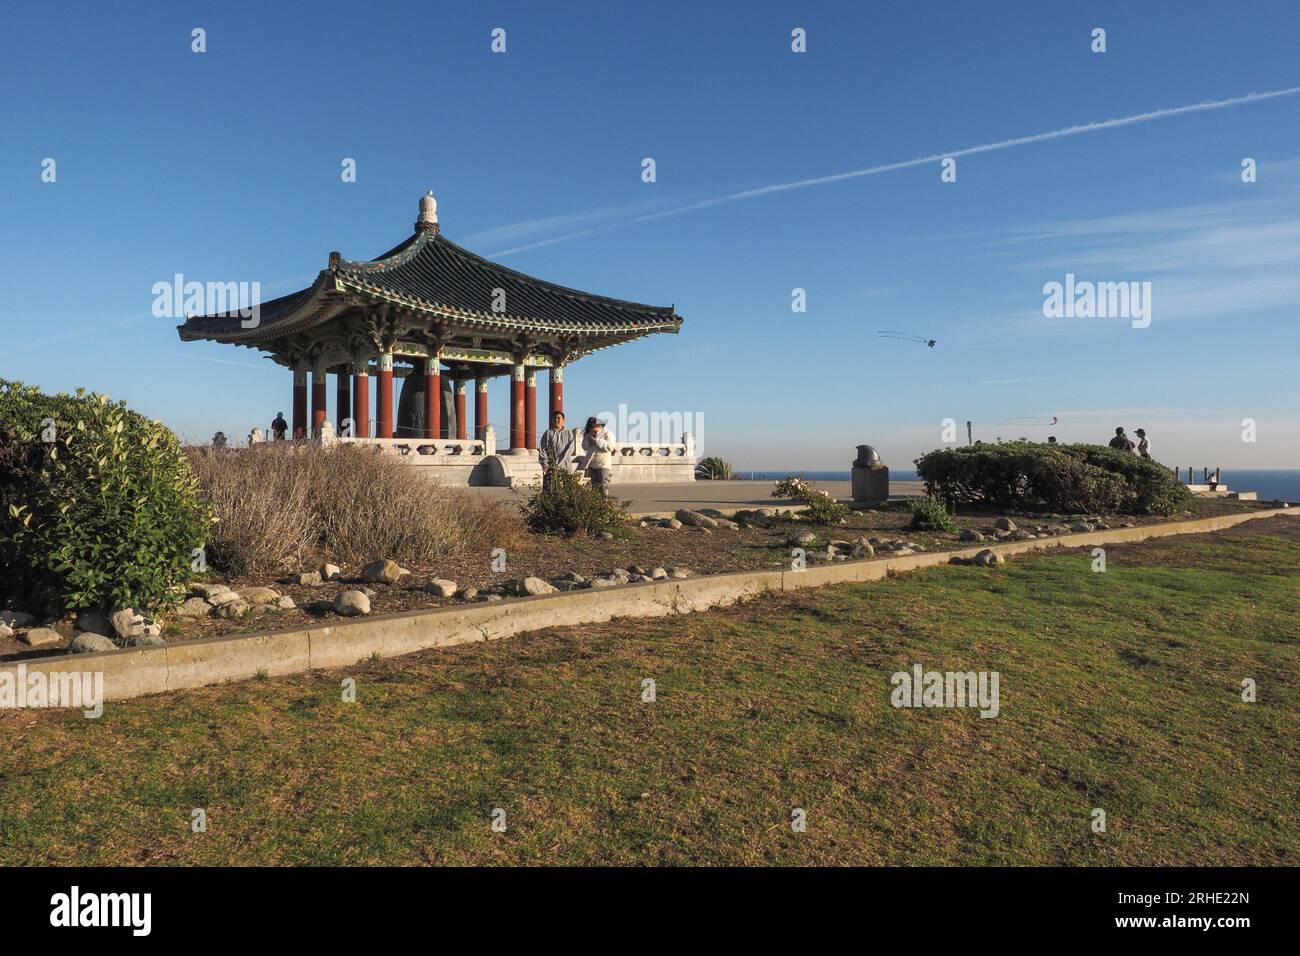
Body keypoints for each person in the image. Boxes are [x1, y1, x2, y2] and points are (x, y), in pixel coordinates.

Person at [538, 411, 578, 489]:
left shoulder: (569, 433)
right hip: (550, 467)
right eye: (555, 418)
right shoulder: (548, 433)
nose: (557, 420)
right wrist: (544, 464)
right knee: (549, 490)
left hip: (566, 466)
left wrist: (558, 463)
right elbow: (542, 449)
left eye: (558, 418)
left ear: (563, 420)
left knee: (569, 490)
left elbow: (570, 449)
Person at [581, 416, 615, 493]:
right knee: (594, 487)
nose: (594, 428)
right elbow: (584, 446)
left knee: (603, 486)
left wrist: (597, 440)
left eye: (596, 425)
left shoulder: (608, 434)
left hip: (603, 464)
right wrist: (589, 443)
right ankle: (597, 505)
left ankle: (605, 504)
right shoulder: (589, 435)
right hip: (591, 464)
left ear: (601, 425)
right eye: (592, 426)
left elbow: (610, 447)